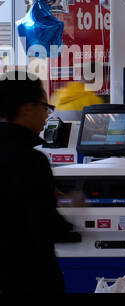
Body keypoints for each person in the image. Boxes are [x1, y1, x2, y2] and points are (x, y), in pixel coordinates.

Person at [0, 74, 80, 294]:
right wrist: (77, 225)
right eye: (45, 107)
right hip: (28, 277)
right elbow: (45, 224)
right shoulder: (31, 160)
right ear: (27, 108)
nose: (47, 115)